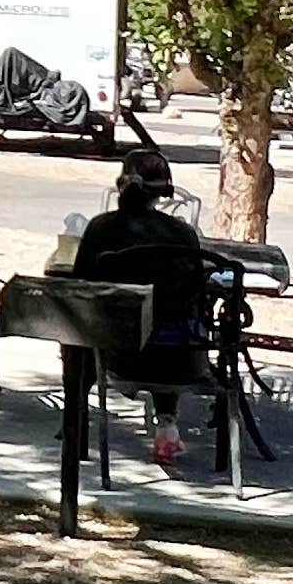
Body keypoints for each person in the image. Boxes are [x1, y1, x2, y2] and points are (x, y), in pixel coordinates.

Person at [71, 151, 220, 466]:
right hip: (181, 362)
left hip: (116, 358)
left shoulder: (100, 229)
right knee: (169, 323)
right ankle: (167, 418)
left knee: (79, 326)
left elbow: (79, 286)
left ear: (122, 186)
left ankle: (76, 415)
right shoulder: (182, 234)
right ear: (163, 192)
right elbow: (196, 299)